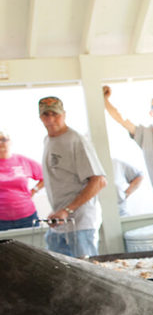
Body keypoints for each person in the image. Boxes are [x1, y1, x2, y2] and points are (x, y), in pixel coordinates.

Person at [38, 97, 107, 257]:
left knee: (86, 273)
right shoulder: (47, 140)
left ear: (64, 114)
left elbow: (99, 181)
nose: (51, 119)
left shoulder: (76, 140)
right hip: (60, 221)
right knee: (57, 271)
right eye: (46, 115)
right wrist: (57, 211)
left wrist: (67, 210)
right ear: (41, 118)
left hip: (80, 223)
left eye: (55, 114)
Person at [0, 130, 44, 231]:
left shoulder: (22, 160)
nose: (1, 143)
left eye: (3, 139)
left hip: (27, 217)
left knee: (31, 246)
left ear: (10, 142)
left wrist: (34, 190)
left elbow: (45, 176)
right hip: (1, 221)